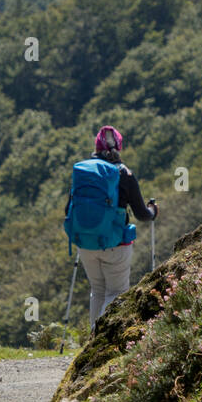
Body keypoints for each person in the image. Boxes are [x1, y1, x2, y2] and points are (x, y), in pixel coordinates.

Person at [63, 125, 157, 330]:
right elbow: (142, 214)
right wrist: (153, 211)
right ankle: (100, 343)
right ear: (119, 147)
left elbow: (67, 209)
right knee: (116, 292)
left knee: (97, 290)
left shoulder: (83, 171)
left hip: (85, 243)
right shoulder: (124, 174)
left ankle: (92, 343)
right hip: (115, 244)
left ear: (96, 147)